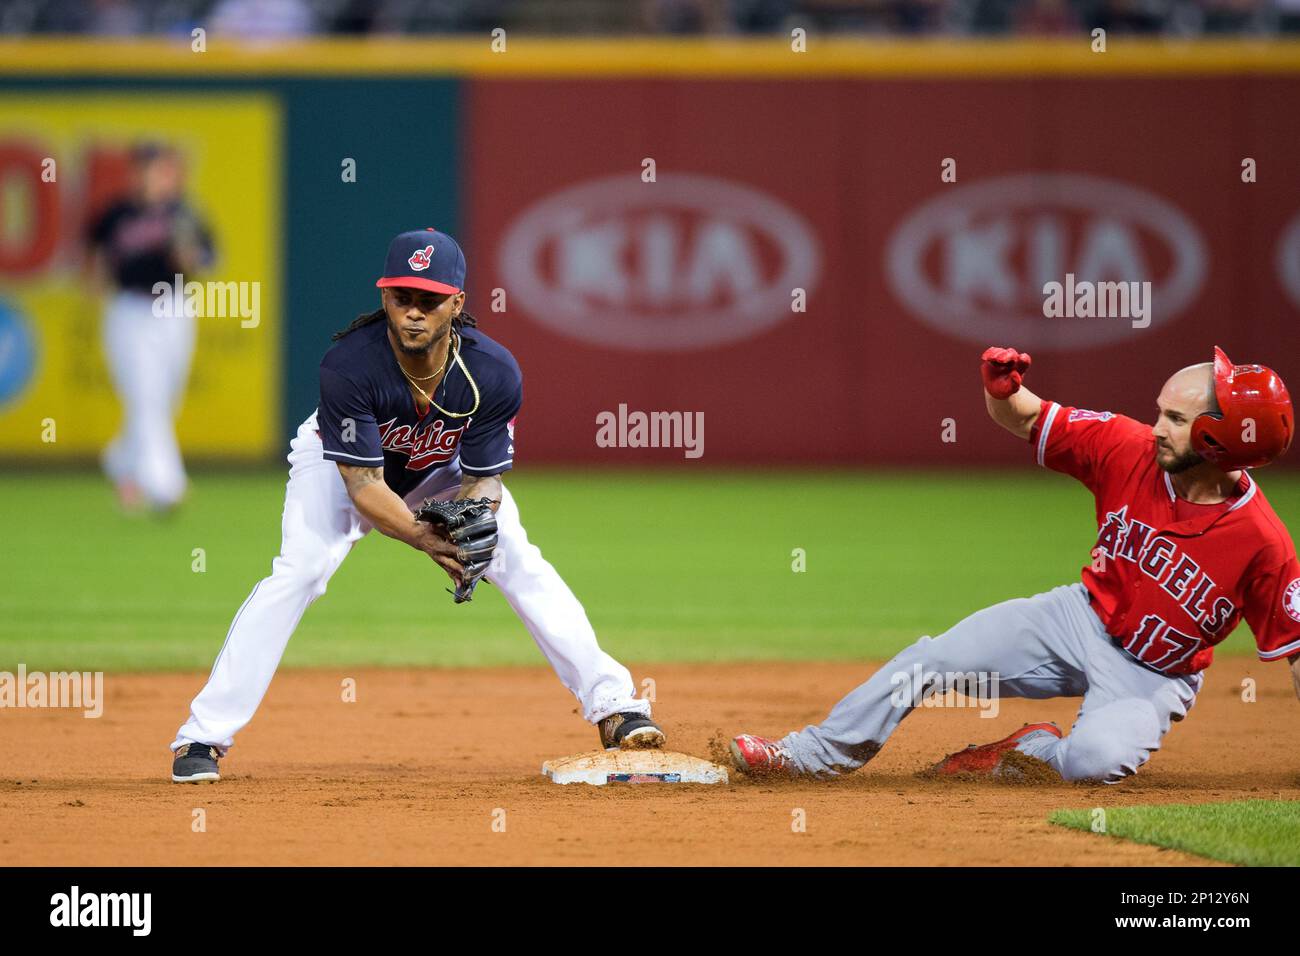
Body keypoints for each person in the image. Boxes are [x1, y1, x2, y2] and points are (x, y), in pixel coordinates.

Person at [170, 228, 662, 783]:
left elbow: (484, 480)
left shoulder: (492, 373)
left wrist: (476, 523)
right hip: (338, 466)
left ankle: (616, 706)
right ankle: (202, 736)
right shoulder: (349, 366)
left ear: (457, 303)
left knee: (517, 558)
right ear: (384, 297)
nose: (413, 313)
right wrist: (426, 537)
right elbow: (363, 486)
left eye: (429, 300)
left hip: (440, 469)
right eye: (402, 297)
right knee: (301, 569)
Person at [731, 345, 1299, 783]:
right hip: (1078, 618)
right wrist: (1002, 392)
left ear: (1218, 440)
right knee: (930, 660)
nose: (1156, 427)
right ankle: (811, 755)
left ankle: (1026, 752)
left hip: (1152, 673)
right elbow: (1028, 419)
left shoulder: (1263, 543)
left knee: (1091, 766)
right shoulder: (1127, 447)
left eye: (1176, 419)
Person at [87, 143, 213, 513]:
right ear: (134, 174)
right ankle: (165, 487)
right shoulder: (116, 214)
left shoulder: (183, 213)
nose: (150, 178)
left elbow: (206, 259)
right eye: (144, 170)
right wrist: (94, 285)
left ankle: (121, 460)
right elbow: (94, 257)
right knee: (146, 395)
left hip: (173, 306)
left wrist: (188, 257)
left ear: (169, 174)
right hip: (129, 308)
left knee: (165, 398)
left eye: (157, 170)